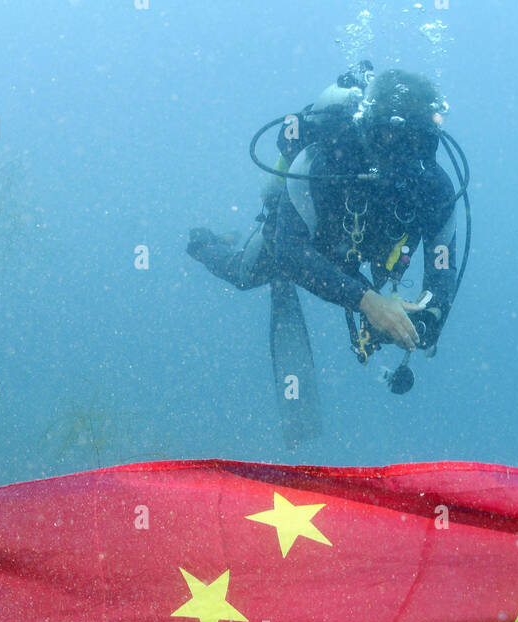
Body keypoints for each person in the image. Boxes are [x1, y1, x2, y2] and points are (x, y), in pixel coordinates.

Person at [187, 65, 463, 445]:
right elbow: (289, 251)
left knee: (368, 285)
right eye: (395, 139)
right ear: (373, 130)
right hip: (302, 237)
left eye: (420, 142)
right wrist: (369, 302)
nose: (407, 156)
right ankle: (203, 243)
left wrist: (428, 316)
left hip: (359, 251)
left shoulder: (434, 187)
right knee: (244, 273)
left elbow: (442, 269)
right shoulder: (324, 158)